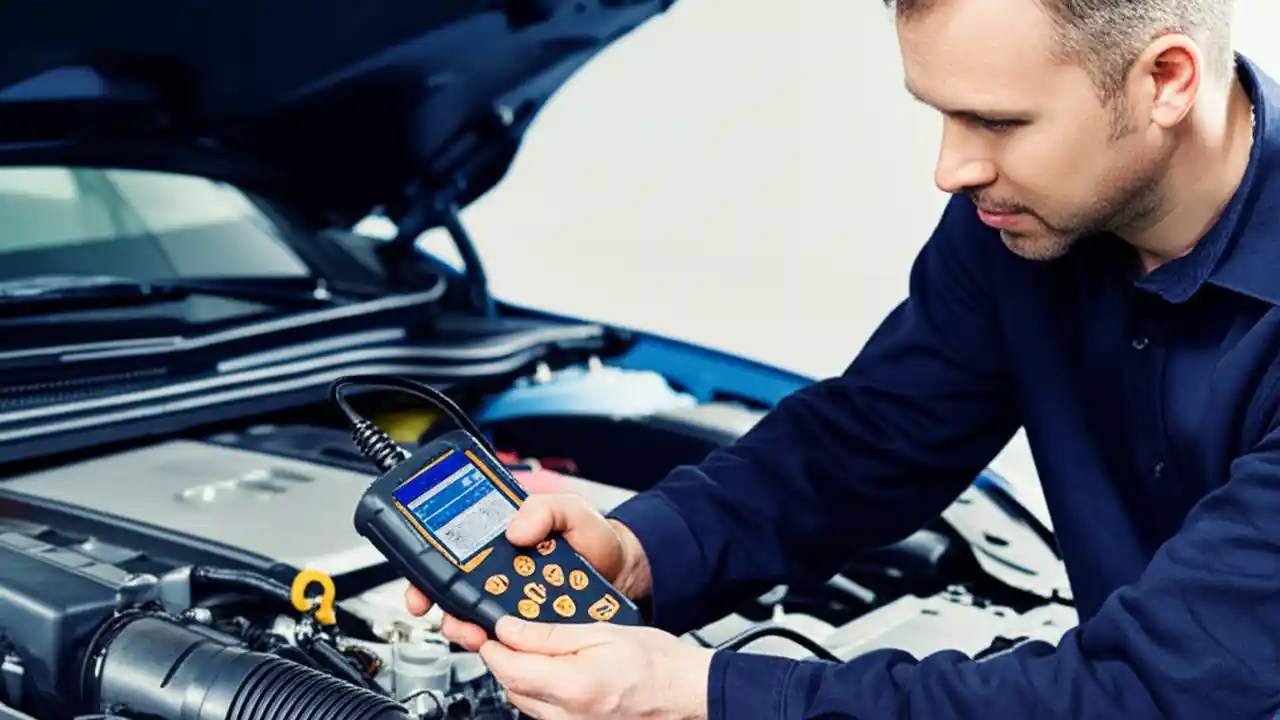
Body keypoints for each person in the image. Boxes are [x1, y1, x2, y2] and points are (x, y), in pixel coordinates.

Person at [407, 0, 1280, 716]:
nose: (953, 167)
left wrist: (702, 694)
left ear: (1167, 79)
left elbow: (1149, 691)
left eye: (996, 120)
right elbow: (875, 436)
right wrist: (646, 551)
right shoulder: (1026, 219)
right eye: (940, 113)